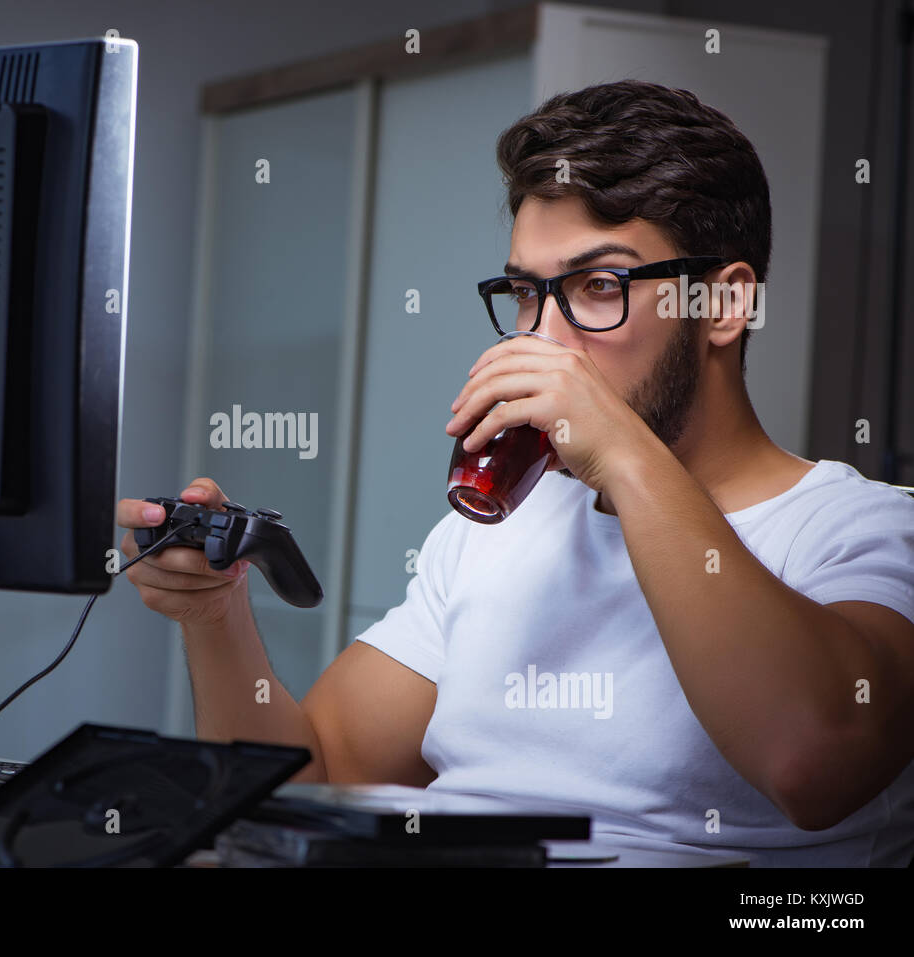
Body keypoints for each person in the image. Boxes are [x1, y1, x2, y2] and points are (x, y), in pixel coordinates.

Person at [116, 80, 914, 867]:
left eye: (599, 287)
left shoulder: (861, 529)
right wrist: (218, 618)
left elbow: (816, 763)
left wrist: (622, 450)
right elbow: (314, 776)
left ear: (724, 305)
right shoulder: (497, 533)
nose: (546, 340)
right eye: (529, 294)